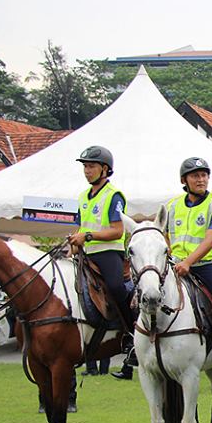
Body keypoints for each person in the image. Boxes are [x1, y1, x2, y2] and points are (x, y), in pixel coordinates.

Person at [65, 145, 136, 379]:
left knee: (116, 288)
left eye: (91, 166)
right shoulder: (83, 197)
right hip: (85, 254)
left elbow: (117, 231)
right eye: (85, 166)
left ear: (105, 169)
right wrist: (74, 243)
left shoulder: (114, 195)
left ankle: (131, 336)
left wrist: (86, 236)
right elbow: (81, 226)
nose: (87, 171)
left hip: (108, 253)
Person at [165, 157, 212, 364]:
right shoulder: (171, 206)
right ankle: (137, 343)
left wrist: (188, 262)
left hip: (208, 264)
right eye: (195, 176)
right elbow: (163, 234)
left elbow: (211, 240)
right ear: (184, 180)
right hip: (176, 263)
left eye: (204, 175)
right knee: (147, 292)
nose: (201, 180)